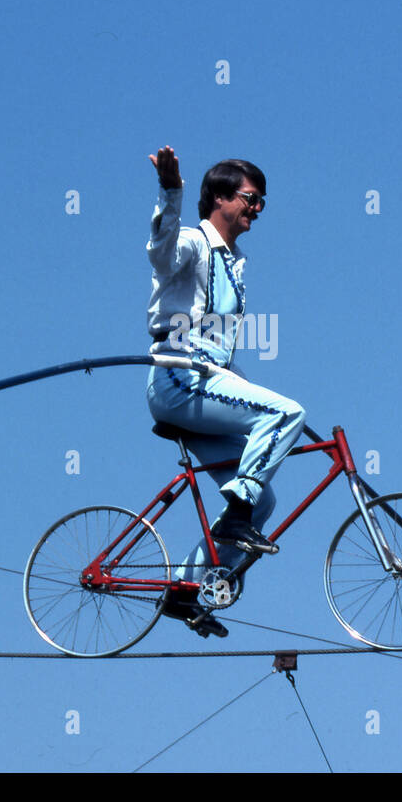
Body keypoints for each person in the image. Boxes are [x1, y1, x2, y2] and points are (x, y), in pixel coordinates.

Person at [143, 146, 306, 638]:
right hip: (178, 380)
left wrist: (244, 385)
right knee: (285, 413)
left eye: (262, 203)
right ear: (218, 197)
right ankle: (236, 516)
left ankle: (184, 592)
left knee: (263, 502)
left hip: (208, 380)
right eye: (250, 199)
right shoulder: (193, 240)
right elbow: (160, 252)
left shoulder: (234, 261)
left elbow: (218, 347)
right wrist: (170, 194)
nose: (256, 210)